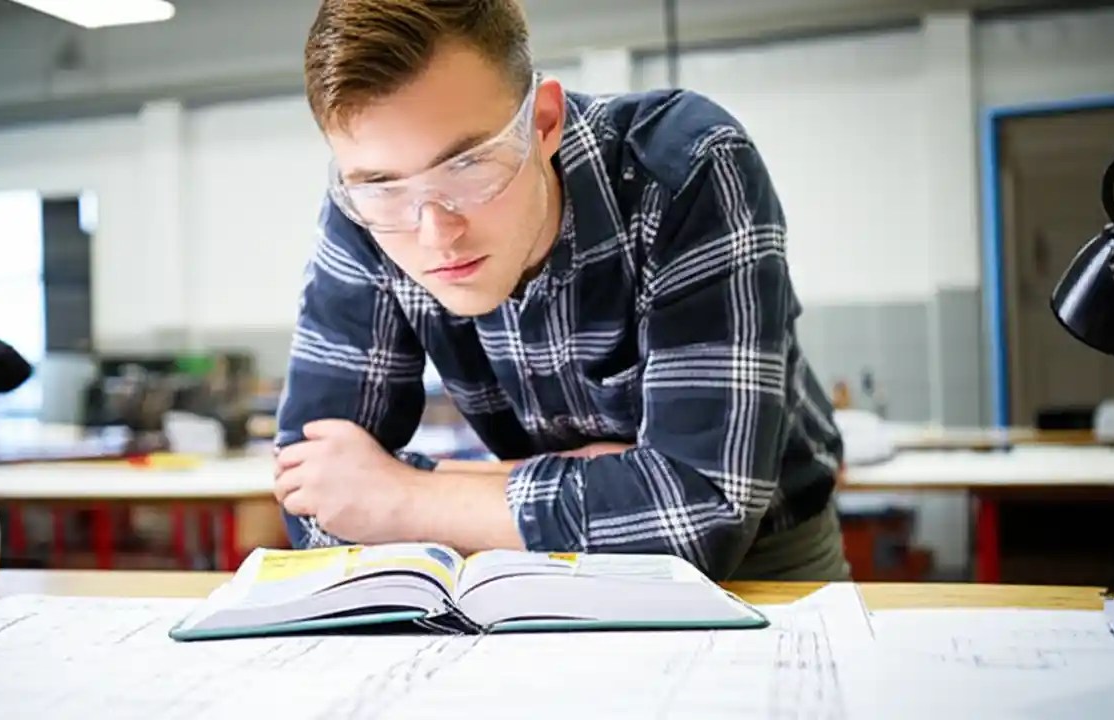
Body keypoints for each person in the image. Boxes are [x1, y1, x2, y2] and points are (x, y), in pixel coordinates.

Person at [272, 0, 849, 581]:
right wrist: (614, 480)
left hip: (763, 561)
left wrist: (403, 496)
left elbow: (701, 516)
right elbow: (314, 494)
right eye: (383, 187)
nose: (435, 233)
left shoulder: (688, 165)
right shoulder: (366, 211)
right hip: (518, 554)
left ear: (544, 122)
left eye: (468, 167)